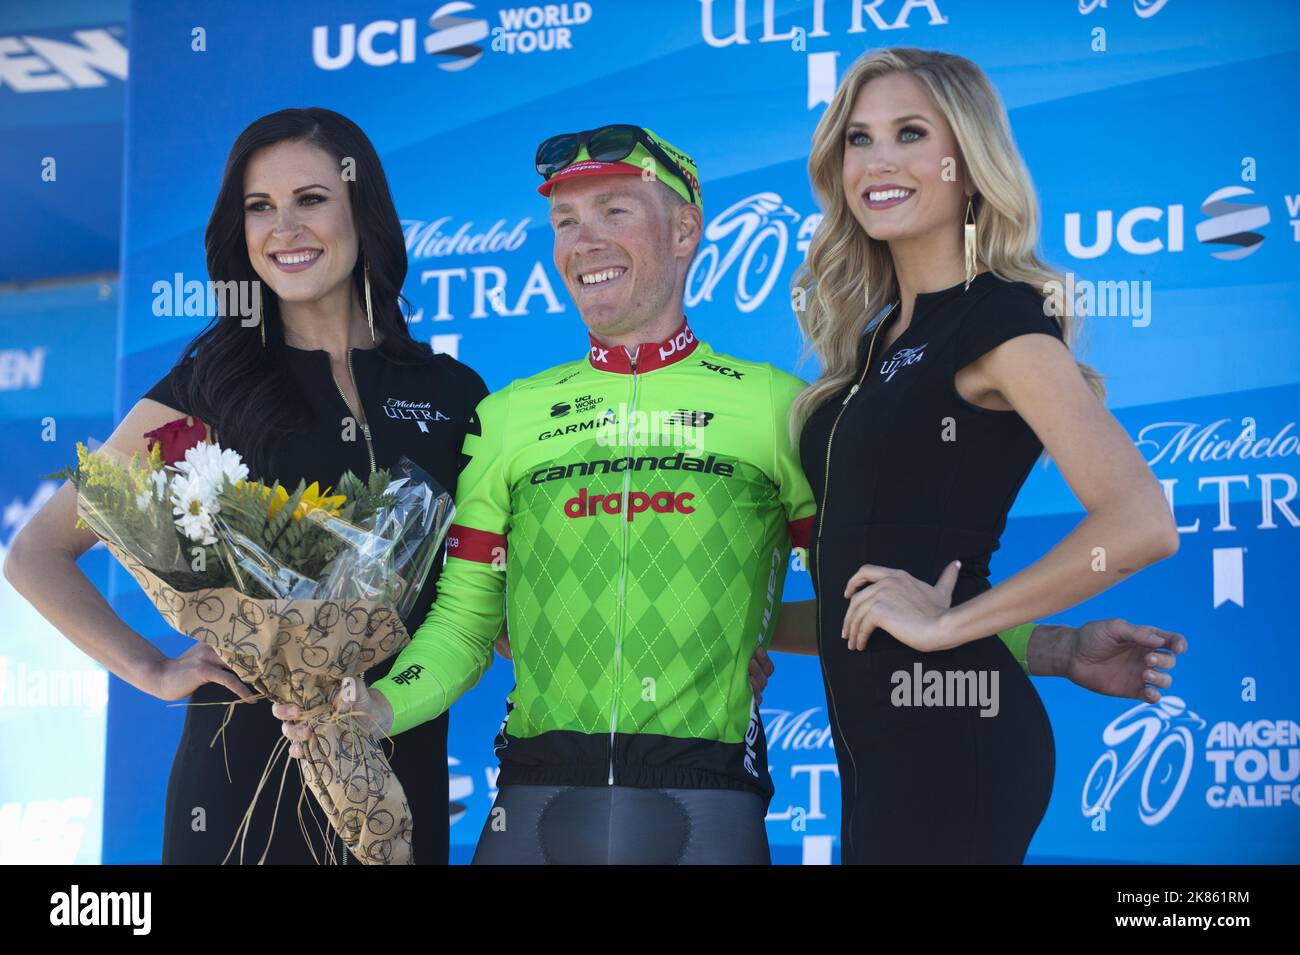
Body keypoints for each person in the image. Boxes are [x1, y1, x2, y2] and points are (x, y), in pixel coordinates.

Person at [276, 124, 1185, 865]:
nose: (583, 239)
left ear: (684, 233)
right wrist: (380, 705)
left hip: (708, 807)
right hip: (529, 807)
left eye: (614, 211)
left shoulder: (777, 412)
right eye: (564, 221)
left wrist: (1051, 644)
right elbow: (466, 625)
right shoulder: (509, 416)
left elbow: (862, 599)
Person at [4, 108, 487, 864]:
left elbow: (486, 591)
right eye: (259, 207)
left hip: (396, 772)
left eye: (311, 199)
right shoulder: (212, 386)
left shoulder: (453, 392)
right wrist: (154, 668)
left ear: (364, 209)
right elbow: (35, 552)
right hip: (235, 784)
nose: (284, 228)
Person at [792, 48, 1181, 864]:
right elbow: (874, 591)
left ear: (966, 165)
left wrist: (956, 626)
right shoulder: (872, 345)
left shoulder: (997, 319)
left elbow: (1141, 521)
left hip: (952, 741)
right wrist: (1054, 647)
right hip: (881, 747)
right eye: (859, 139)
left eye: (909, 133)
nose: (879, 160)